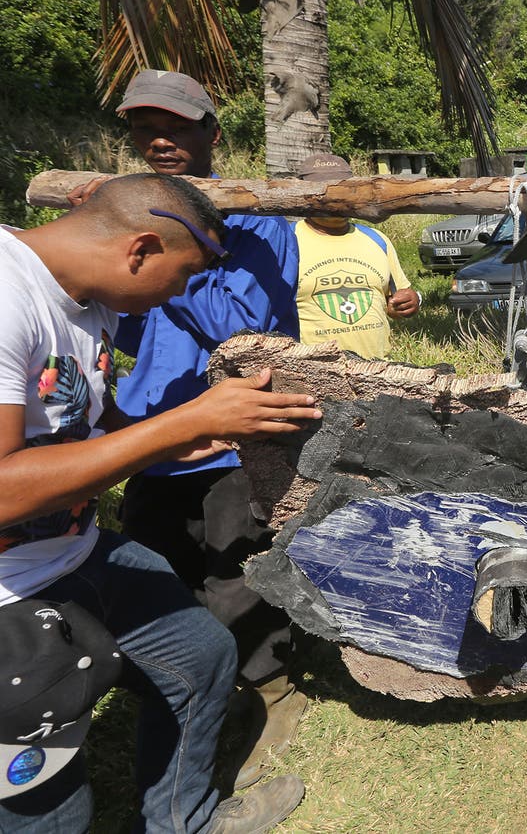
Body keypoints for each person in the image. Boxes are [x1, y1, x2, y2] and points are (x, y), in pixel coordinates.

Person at [0, 174, 320, 832]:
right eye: (182, 277)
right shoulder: (6, 297)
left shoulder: (87, 299)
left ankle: (183, 820)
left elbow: (77, 419)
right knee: (50, 811)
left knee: (199, 659)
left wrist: (172, 443)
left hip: (73, 549)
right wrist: (175, 425)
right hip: (9, 595)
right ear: (141, 249)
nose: (179, 296)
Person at [96, 69, 304, 791]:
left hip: (230, 437)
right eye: (144, 127)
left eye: (179, 126)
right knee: (161, 578)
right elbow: (123, 330)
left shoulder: (261, 224)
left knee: (238, 579)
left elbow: (240, 333)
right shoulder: (124, 219)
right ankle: (178, 705)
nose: (159, 140)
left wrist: (179, 249)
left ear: (213, 133)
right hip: (152, 436)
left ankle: (270, 693)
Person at [293, 153, 421, 359]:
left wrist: (411, 302)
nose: (334, 197)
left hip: (378, 372)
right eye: (323, 190)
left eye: (342, 188)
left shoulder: (377, 239)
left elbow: (397, 301)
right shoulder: (287, 242)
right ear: (303, 194)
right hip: (314, 374)